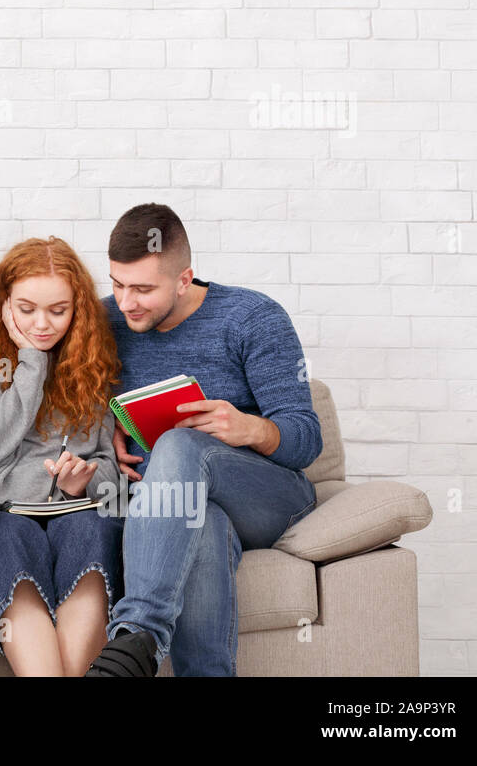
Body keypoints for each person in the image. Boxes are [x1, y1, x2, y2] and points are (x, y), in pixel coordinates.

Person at [86, 203, 321, 677]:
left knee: (178, 443)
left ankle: (137, 634)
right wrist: (100, 426)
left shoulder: (252, 317)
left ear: (184, 278)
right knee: (202, 521)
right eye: (117, 283)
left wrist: (253, 429)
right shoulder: (104, 322)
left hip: (267, 494)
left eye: (143, 288)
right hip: (177, 504)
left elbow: (306, 440)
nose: (126, 301)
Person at [0, 236, 124, 676]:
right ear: (5, 304)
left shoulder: (94, 357)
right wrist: (32, 364)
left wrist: (87, 479)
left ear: (78, 309)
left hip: (77, 507)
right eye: (27, 309)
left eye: (58, 310)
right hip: (6, 509)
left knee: (94, 530)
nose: (42, 324)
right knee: (9, 538)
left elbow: (110, 468)